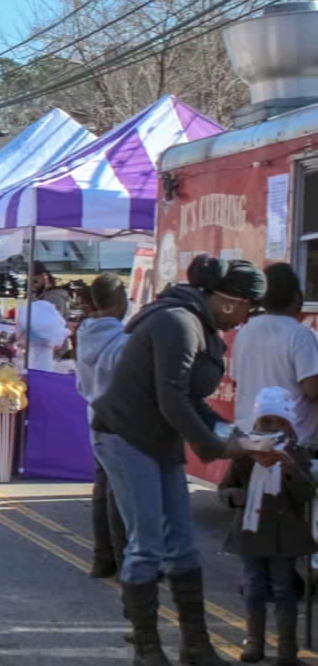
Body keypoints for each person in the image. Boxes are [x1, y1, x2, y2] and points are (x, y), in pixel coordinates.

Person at [93, 256, 266, 666]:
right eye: (248, 307)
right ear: (227, 301)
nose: (246, 318)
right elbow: (172, 398)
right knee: (148, 543)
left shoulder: (198, 323)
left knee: (183, 545)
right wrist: (221, 448)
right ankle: (148, 650)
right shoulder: (177, 322)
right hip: (126, 435)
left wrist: (232, 434)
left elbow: (190, 401)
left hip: (158, 436)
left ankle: (195, 645)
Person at [217, 387, 314, 666]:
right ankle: (254, 643)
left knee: (284, 589)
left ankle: (287, 649)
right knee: (254, 588)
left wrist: (291, 469)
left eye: (278, 423)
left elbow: (306, 493)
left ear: (289, 426)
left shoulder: (298, 453)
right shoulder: (245, 455)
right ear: (256, 424)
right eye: (265, 422)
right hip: (251, 534)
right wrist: (238, 497)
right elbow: (225, 490)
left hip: (284, 538)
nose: (271, 429)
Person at [75, 273, 129, 579]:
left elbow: (82, 384)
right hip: (120, 422)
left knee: (103, 488)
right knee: (119, 492)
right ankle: (124, 559)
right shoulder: (123, 341)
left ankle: (103, 557)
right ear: (120, 301)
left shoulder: (85, 334)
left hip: (94, 414)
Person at [231, 262, 318, 446]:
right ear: (297, 297)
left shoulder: (245, 332)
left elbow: (237, 381)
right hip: (292, 446)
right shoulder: (300, 334)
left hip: (249, 440)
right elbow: (313, 390)